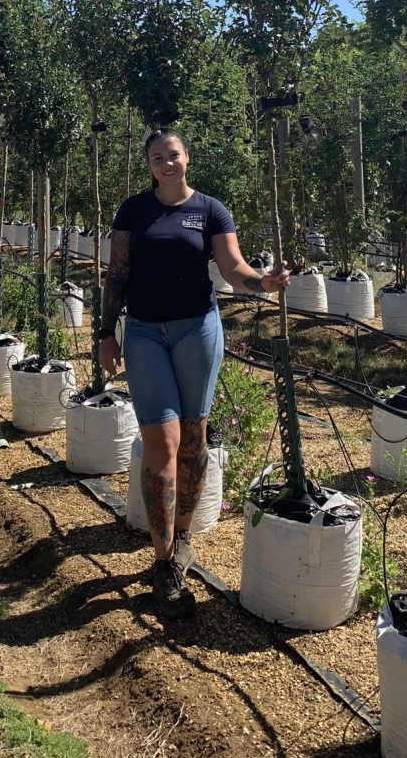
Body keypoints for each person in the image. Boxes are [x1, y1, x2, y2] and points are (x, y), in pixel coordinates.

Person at [99, 127, 288, 619]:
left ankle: (182, 535)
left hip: (197, 331)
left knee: (193, 437)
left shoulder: (210, 210)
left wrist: (262, 284)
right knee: (161, 442)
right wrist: (105, 331)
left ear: (187, 157)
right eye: (157, 158)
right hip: (144, 332)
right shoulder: (133, 211)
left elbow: (233, 268)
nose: (167, 163)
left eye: (174, 155)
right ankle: (164, 562)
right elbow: (118, 273)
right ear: (149, 165)